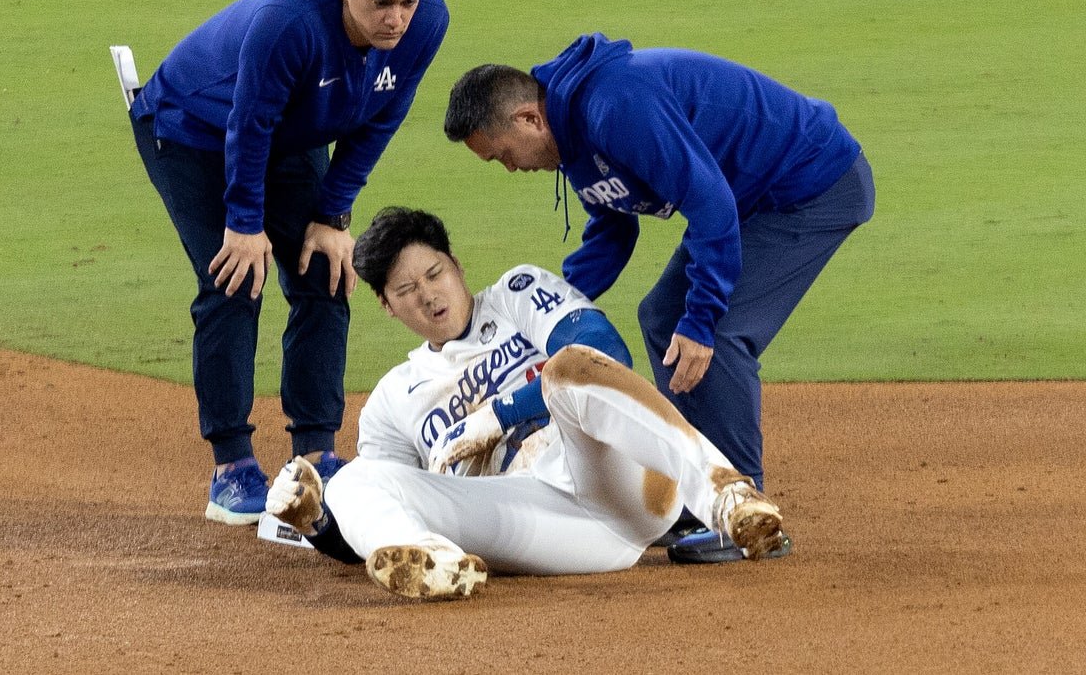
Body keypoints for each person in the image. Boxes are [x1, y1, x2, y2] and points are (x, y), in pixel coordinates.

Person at [443, 33, 875, 560]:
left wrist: (701, 320)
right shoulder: (573, 139)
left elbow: (710, 203)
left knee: (716, 331)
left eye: (503, 156)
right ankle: (698, 494)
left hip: (810, 184)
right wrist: (552, 315)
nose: (510, 169)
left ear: (530, 119)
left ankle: (744, 510)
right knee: (662, 315)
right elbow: (611, 231)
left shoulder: (615, 107)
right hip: (746, 199)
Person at [264, 207, 786, 600]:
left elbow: (605, 355)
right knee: (353, 480)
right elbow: (379, 512)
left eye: (434, 274)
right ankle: (439, 563)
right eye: (405, 289)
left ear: (457, 265)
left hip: (618, 483)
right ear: (385, 304)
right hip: (534, 525)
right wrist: (318, 523)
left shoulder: (517, 294)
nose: (428, 295)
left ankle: (724, 496)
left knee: (566, 367)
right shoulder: (390, 402)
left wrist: (501, 413)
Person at [127, 0, 449, 525]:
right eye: (380, 1)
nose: (396, 19)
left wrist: (333, 214)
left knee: (327, 271)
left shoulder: (426, 23)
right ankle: (231, 470)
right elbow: (248, 125)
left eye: (408, 0)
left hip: (291, 134)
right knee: (233, 280)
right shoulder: (290, 26)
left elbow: (382, 116)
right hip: (191, 128)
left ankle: (317, 456)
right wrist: (244, 224)